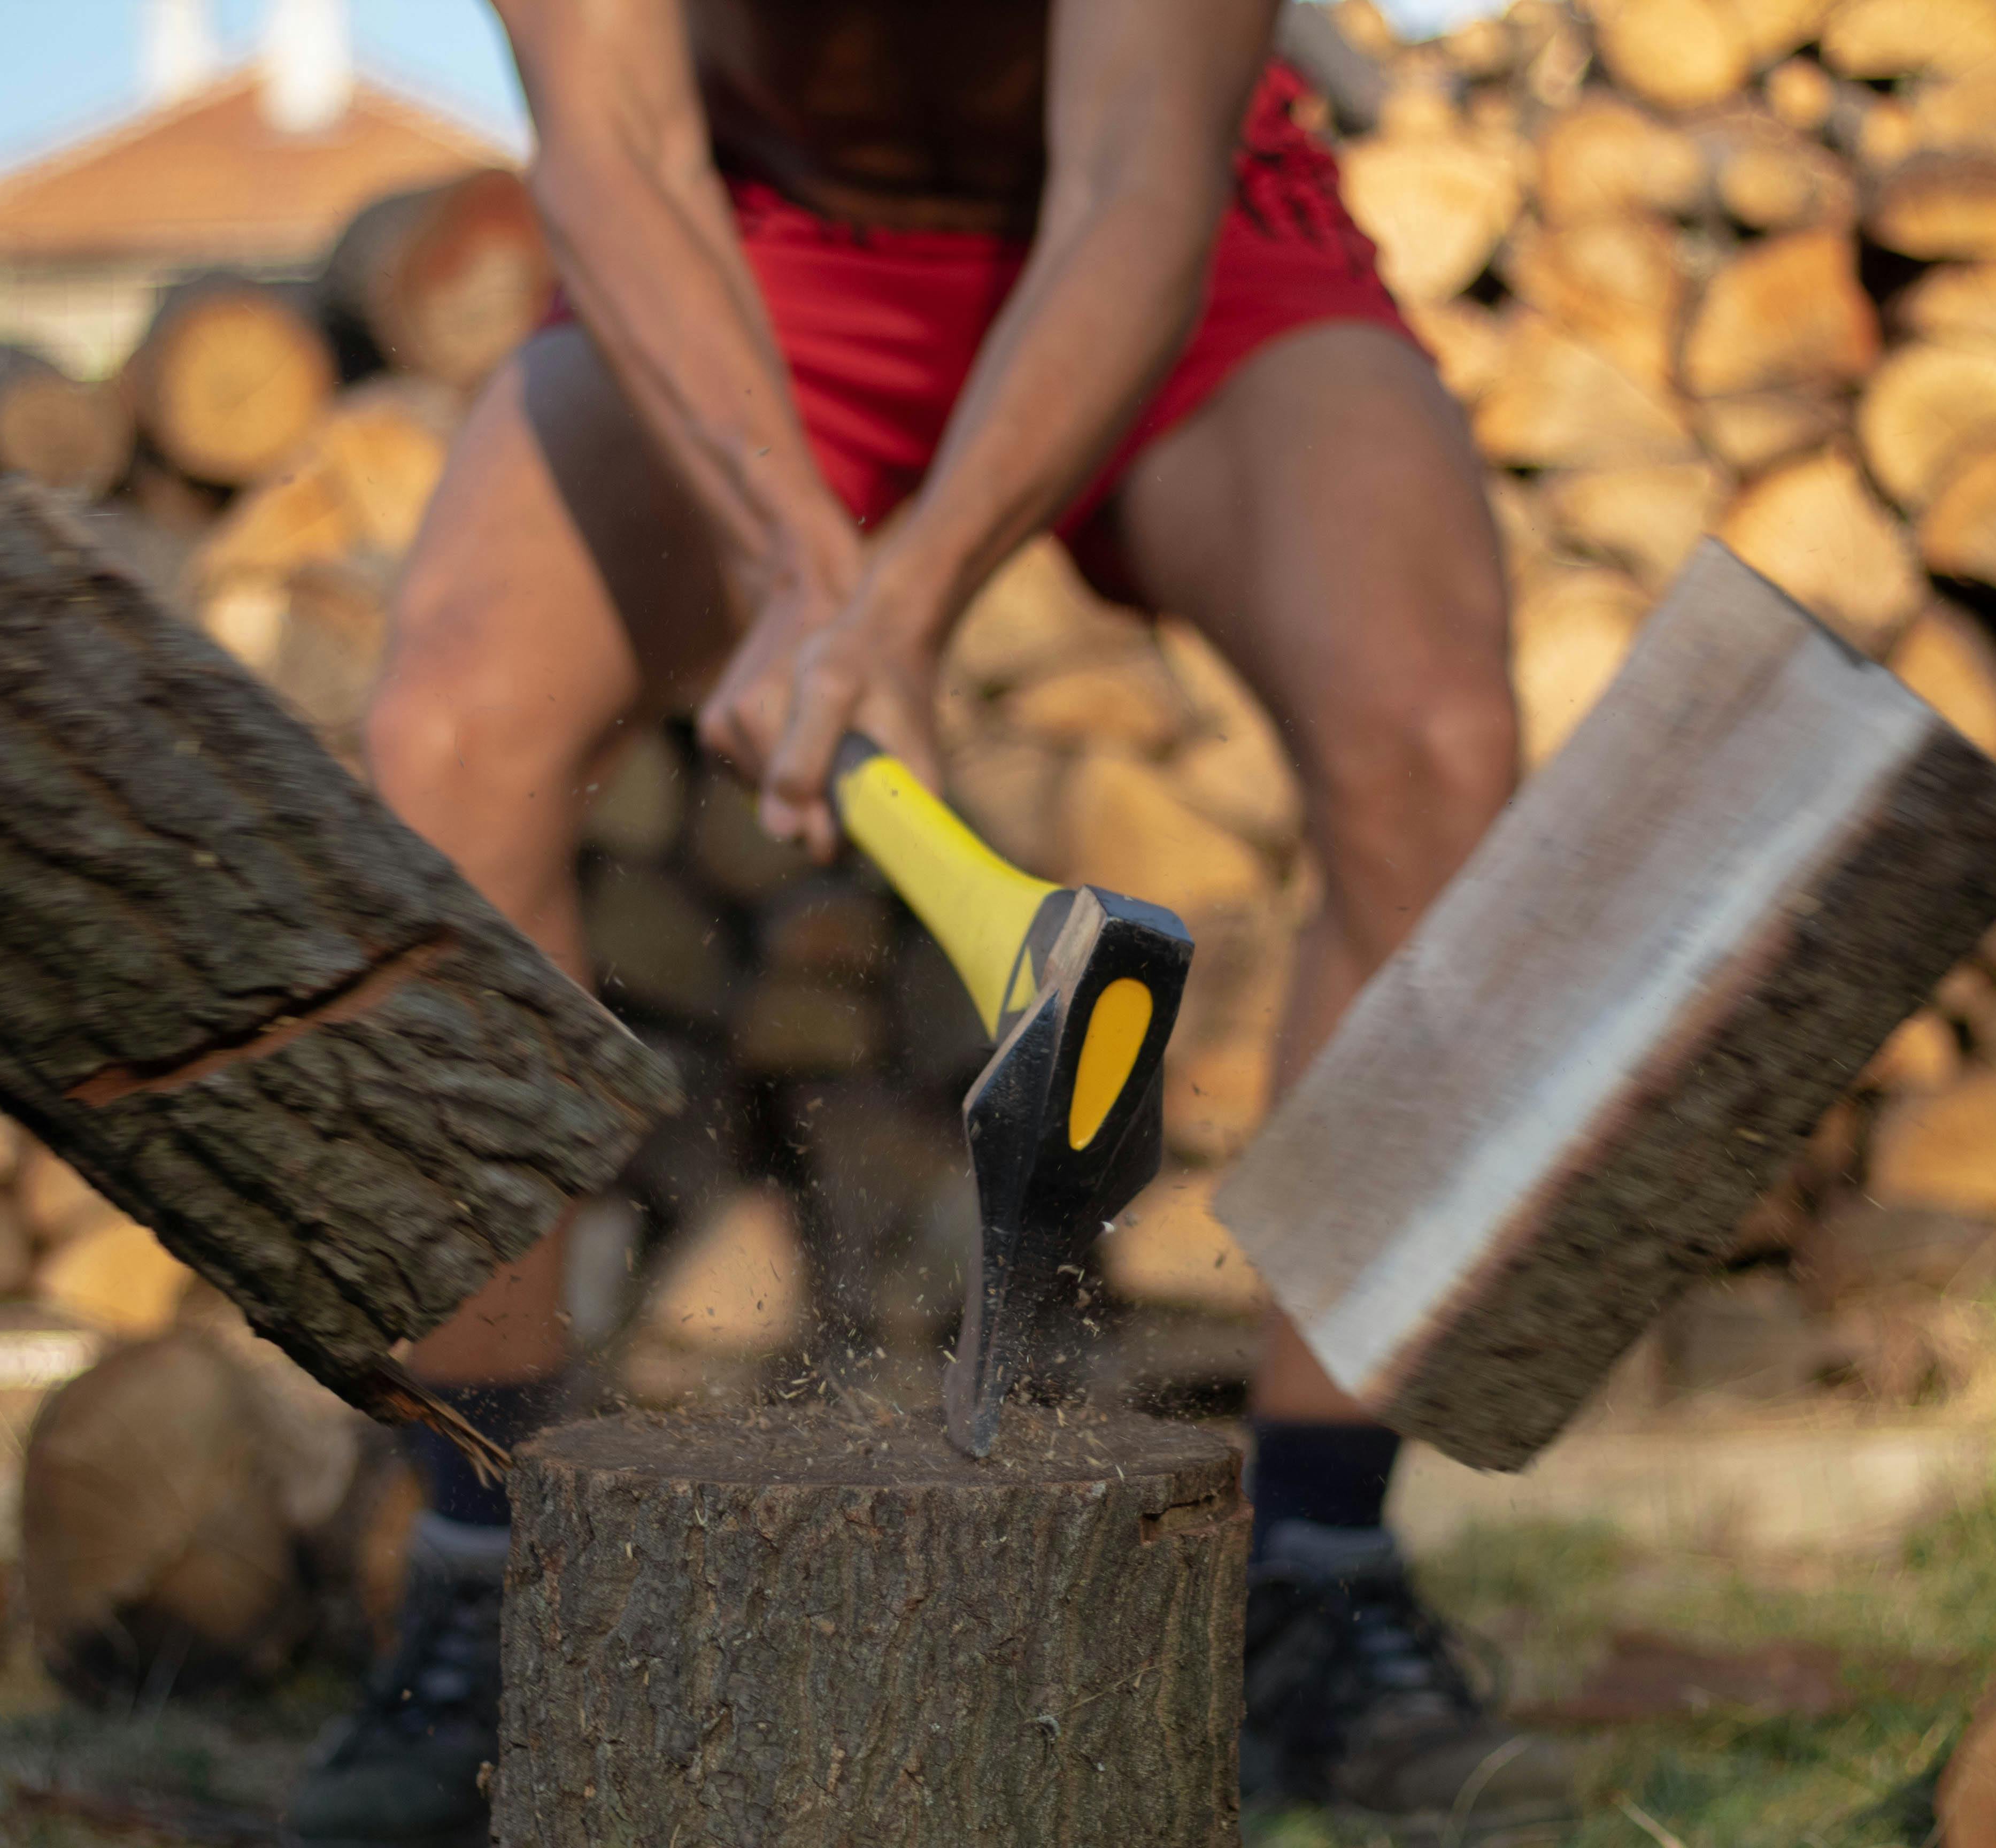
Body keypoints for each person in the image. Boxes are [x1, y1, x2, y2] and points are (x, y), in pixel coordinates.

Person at [282, 2, 1574, 1844]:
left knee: (1429, 740)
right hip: (756, 238)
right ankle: (486, 1586)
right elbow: (617, 148)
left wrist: (906, 598)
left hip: (1171, 241)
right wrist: (807, 572)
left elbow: (1138, 179)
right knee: (453, 727)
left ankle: (1320, 1574)